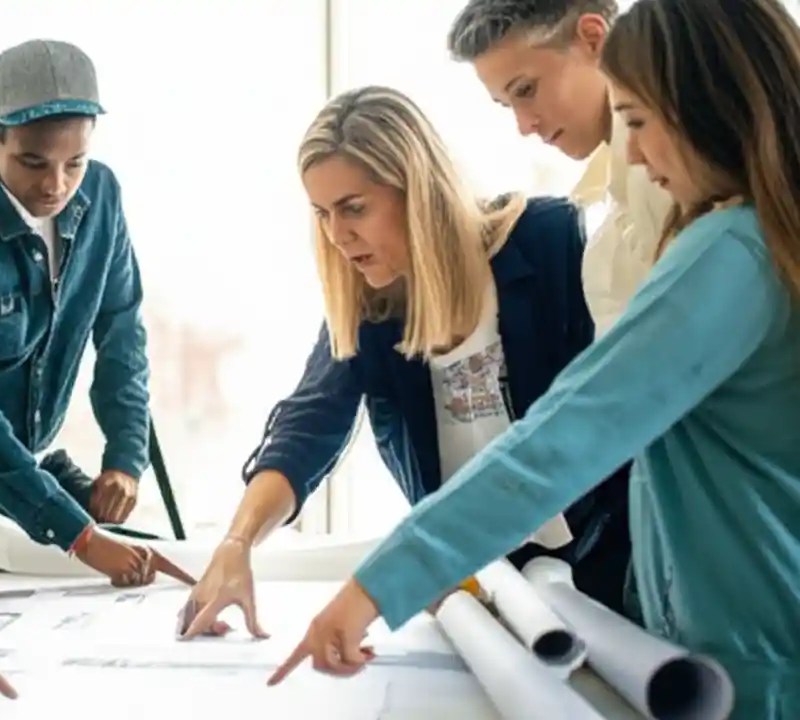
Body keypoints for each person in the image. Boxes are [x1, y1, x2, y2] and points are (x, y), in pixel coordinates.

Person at [271, 2, 800, 717]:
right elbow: (314, 413)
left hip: (753, 656)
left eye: (638, 121)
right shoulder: (743, 239)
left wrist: (379, 585)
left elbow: (567, 434)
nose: (634, 153)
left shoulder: (724, 253)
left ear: (708, 107)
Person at [177, 86, 631, 638]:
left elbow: (621, 406)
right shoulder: (370, 307)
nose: (338, 237)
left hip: (604, 571)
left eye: (354, 209)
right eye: (322, 214)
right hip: (478, 591)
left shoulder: (550, 239)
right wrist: (237, 543)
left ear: (416, 189)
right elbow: (309, 426)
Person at [0, 39, 178, 587]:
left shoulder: (102, 195)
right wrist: (81, 537)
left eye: (75, 162)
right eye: (33, 162)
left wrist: (124, 456)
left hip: (31, 462)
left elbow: (121, 332)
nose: (56, 185)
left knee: (147, 573)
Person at [447, 0, 672, 336]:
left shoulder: (670, 169)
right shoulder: (613, 188)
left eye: (526, 90)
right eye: (507, 105)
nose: (524, 125)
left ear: (594, 39)